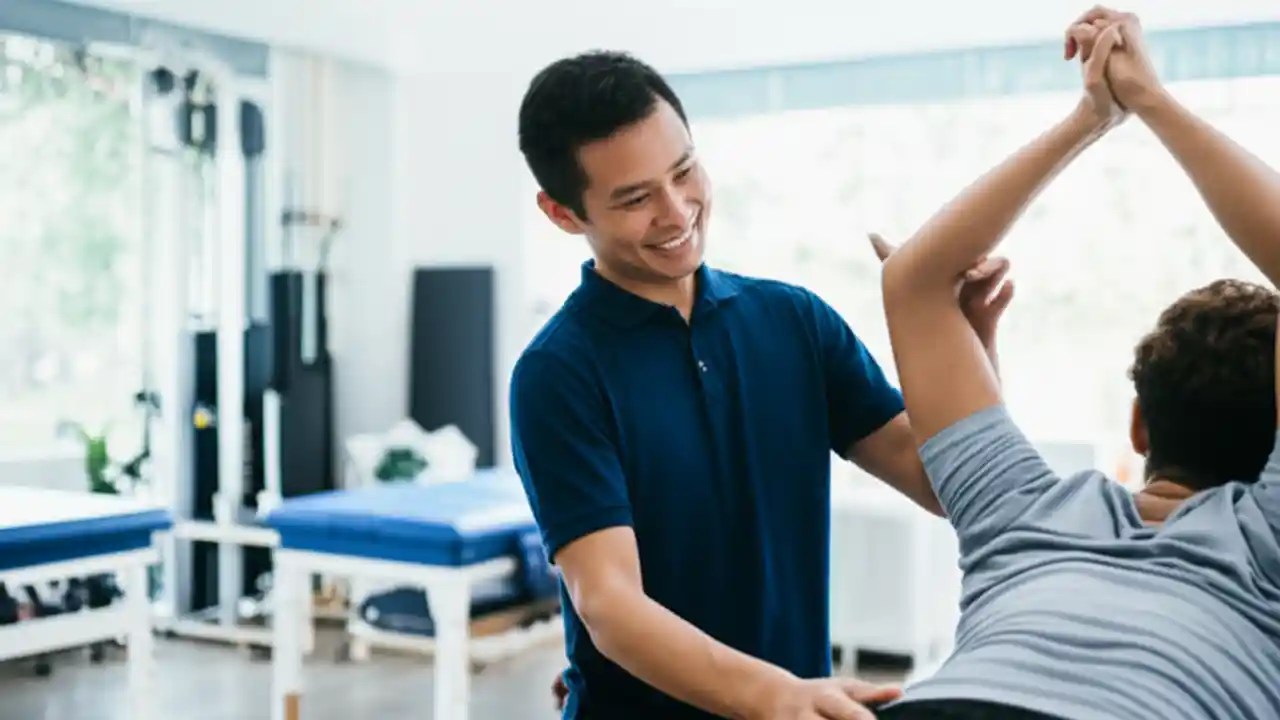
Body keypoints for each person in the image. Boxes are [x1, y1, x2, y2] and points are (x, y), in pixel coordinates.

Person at [510, 47, 1010, 720]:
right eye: (634, 199)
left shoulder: (792, 320)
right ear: (563, 213)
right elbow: (610, 606)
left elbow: (945, 482)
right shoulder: (558, 374)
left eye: (684, 170)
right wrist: (775, 695)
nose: (676, 210)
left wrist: (968, 339)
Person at [871, 7, 1280, 719]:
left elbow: (913, 279)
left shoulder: (1026, 514)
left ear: (1139, 426)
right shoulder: (1266, 549)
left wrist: (1095, 115)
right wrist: (1154, 101)